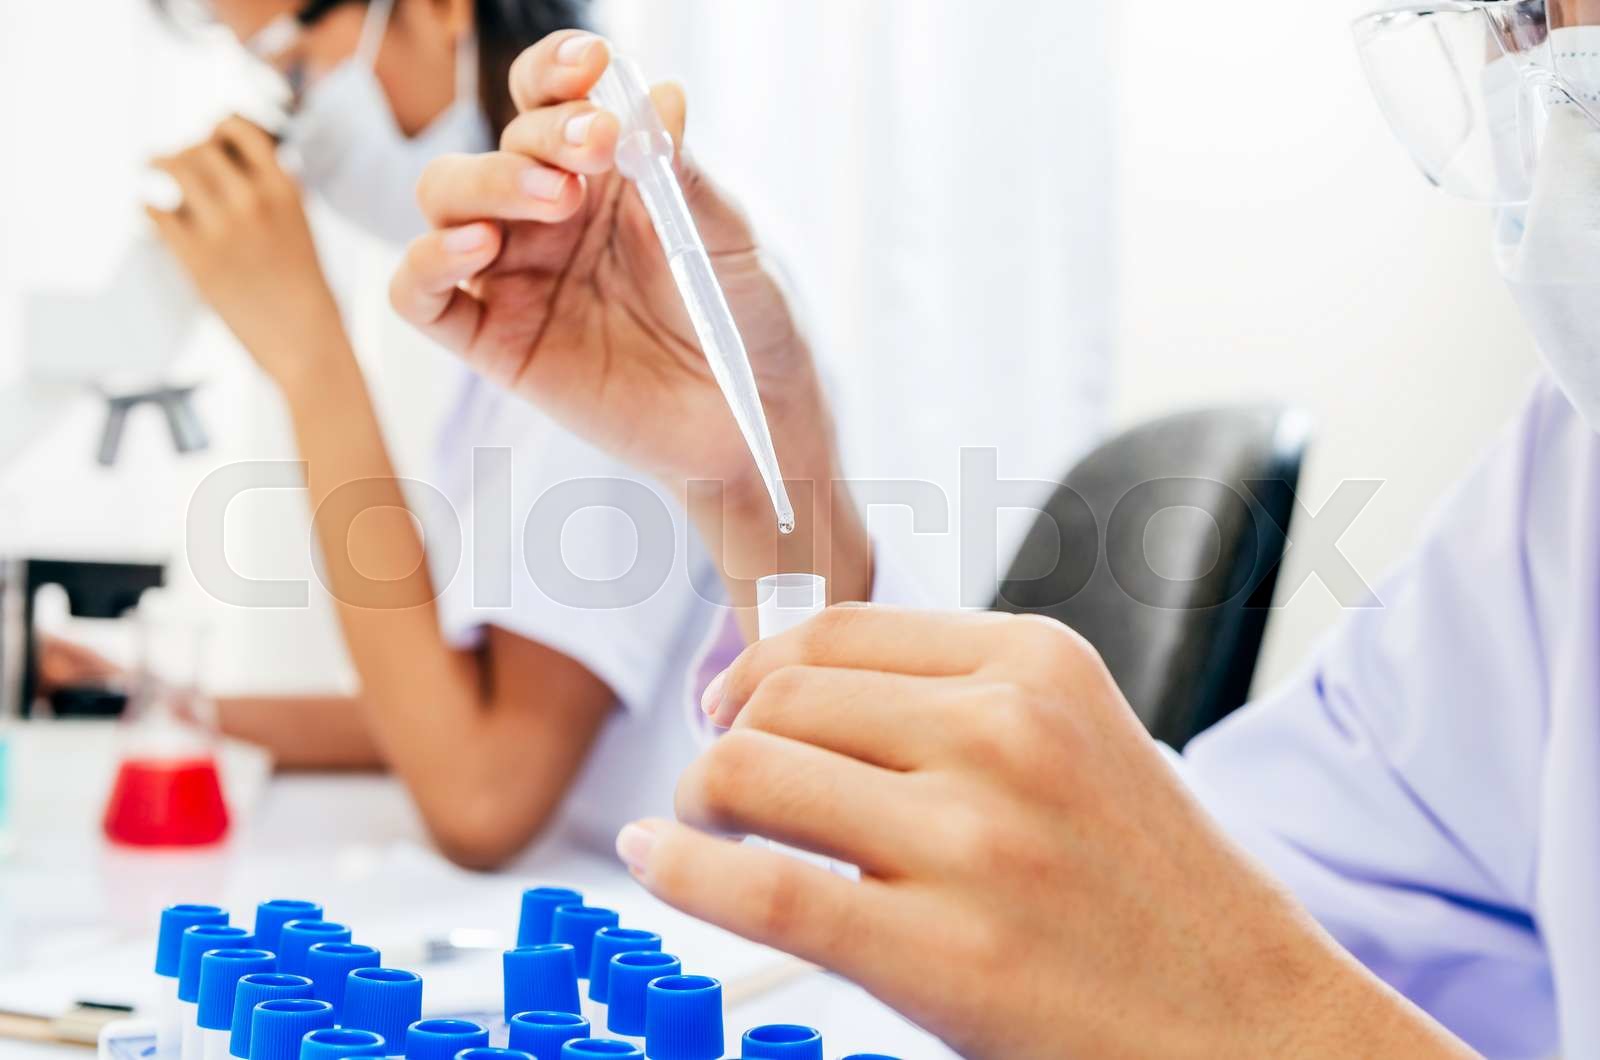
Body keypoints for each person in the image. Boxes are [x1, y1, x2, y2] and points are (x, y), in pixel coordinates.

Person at [394, 3, 1600, 1054]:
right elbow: (1163, 915)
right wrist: (772, 487)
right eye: (1520, 20)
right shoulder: (1565, 475)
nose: (1533, 97)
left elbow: (1233, 984)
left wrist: (1275, 1025)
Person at [139, 0, 737, 870]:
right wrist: (161, 705)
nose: (291, 124)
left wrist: (311, 357)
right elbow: (451, 712)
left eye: (295, 65)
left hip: (694, 945)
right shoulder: (528, 279)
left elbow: (481, 794)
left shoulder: (619, 281)